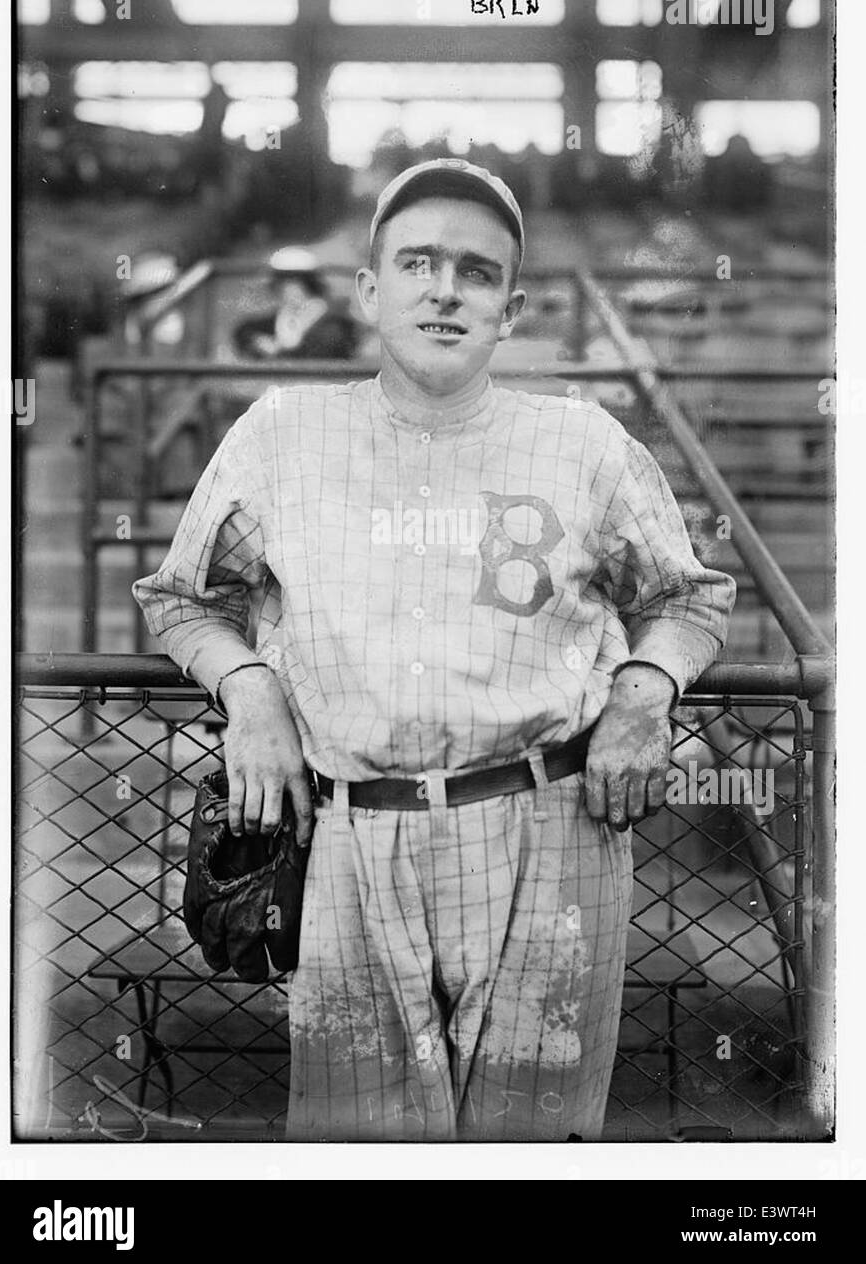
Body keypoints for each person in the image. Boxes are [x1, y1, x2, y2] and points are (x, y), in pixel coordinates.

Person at [132, 159, 735, 1142]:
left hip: (552, 832)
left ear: (511, 307)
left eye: (476, 271)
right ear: (370, 291)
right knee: (359, 1151)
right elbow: (180, 598)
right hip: (347, 840)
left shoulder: (582, 442)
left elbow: (688, 595)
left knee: (533, 1147)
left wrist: (642, 692)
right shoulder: (281, 435)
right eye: (416, 263)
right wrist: (249, 689)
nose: (444, 289)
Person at [232, 247, 360, 363]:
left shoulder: (335, 325)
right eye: (279, 284)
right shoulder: (279, 318)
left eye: (288, 283)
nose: (282, 290)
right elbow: (244, 331)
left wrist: (277, 352)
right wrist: (259, 343)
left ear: (306, 284)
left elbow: (319, 356)